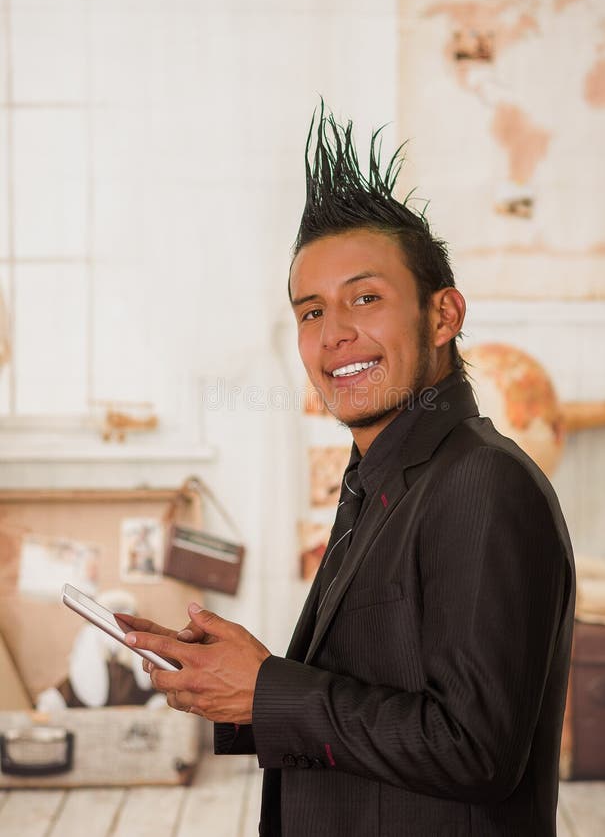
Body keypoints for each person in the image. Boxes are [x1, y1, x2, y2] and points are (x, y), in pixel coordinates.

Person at [120, 107, 575, 836]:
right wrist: (236, 686)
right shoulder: (379, 481)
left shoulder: (482, 483)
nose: (334, 334)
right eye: (310, 311)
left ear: (443, 314)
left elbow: (478, 750)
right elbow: (373, 700)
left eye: (365, 298)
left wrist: (269, 690)